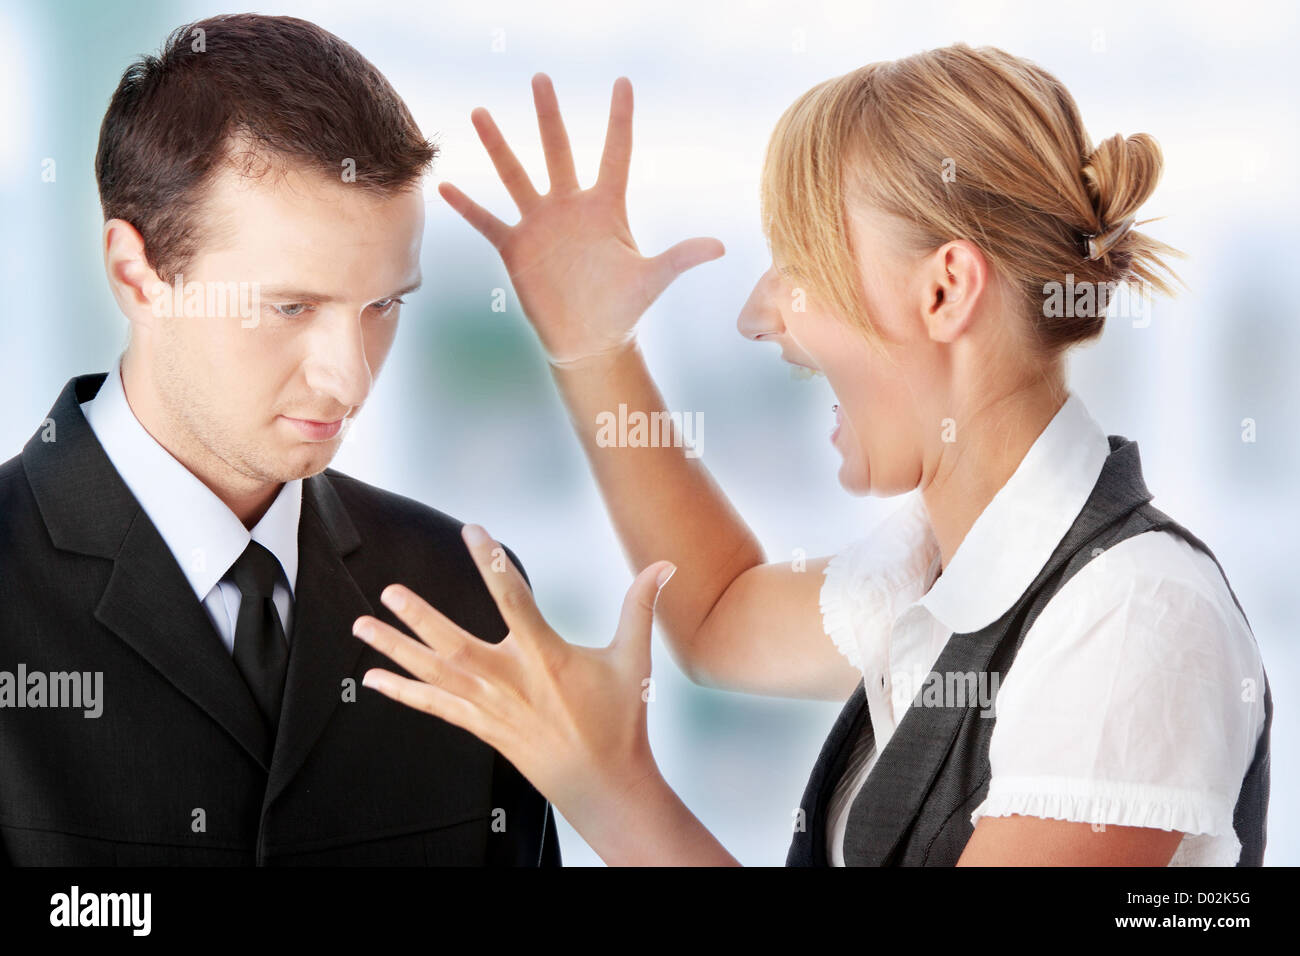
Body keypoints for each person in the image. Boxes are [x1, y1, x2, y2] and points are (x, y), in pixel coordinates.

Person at [355, 45, 1271, 866]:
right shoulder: (945, 571)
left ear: (946, 290)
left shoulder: (1132, 619)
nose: (760, 316)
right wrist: (593, 346)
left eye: (800, 265)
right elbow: (717, 615)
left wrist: (612, 792)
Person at [0, 13, 559, 866]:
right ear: (137, 275)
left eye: (384, 305)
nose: (350, 381)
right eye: (291, 307)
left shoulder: (470, 597)